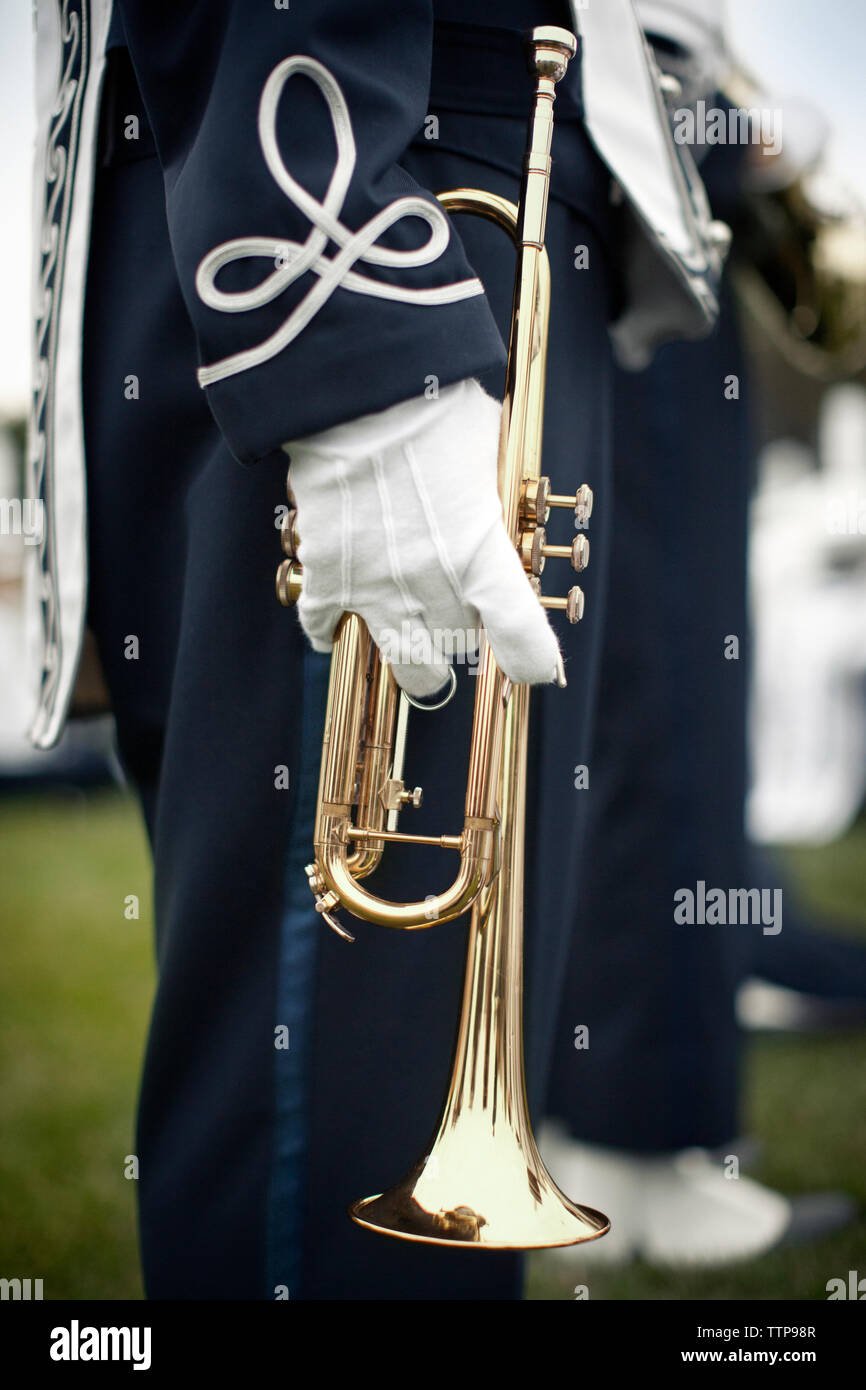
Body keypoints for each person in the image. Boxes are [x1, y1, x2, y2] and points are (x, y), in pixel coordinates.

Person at [27, 0, 721, 1298]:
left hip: (414, 162)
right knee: (337, 1102)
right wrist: (351, 330)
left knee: (359, 1054)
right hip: (388, 181)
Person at [540, 0, 858, 1266]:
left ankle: (599, 1126)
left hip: (600, 224)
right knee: (666, 697)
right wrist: (754, 141)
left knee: (637, 703)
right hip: (637, 223)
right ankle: (632, 1154)